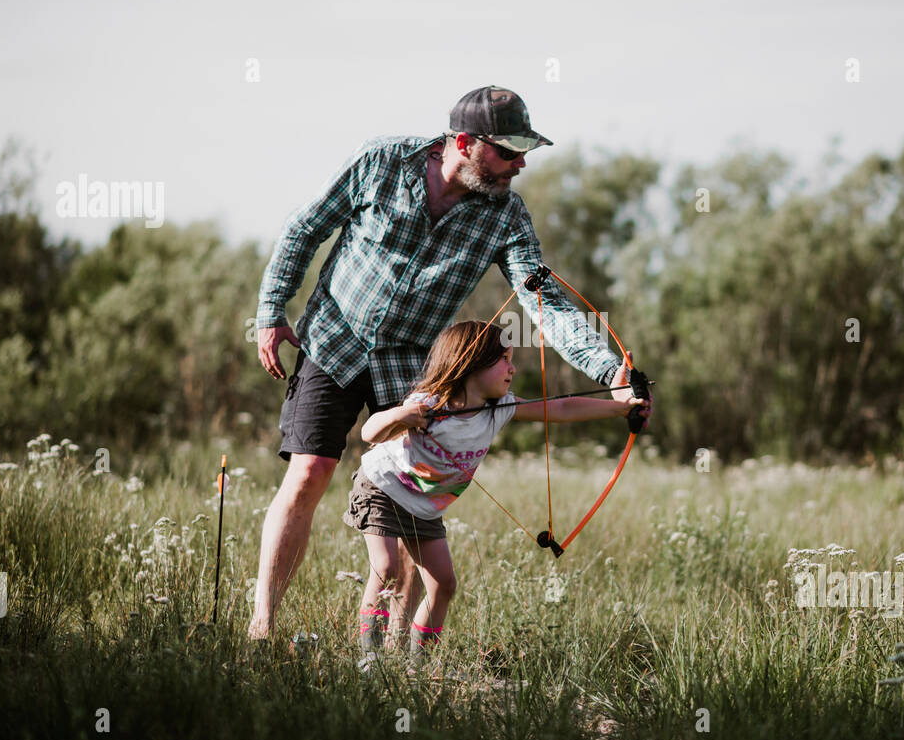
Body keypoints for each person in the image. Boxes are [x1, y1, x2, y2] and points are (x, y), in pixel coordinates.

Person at [249, 86, 654, 642]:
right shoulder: (380, 162)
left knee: (411, 496)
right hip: (333, 341)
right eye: (508, 151)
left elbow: (543, 301)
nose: (520, 163)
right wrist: (271, 311)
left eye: (524, 151)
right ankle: (263, 628)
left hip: (412, 364)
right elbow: (304, 230)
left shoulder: (507, 215)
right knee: (310, 472)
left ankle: (389, 656)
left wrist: (610, 371)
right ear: (462, 143)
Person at [345, 320, 651, 661]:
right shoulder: (430, 402)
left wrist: (622, 407)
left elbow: (561, 407)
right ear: (472, 361)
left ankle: (415, 667)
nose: (513, 367)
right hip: (383, 488)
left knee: (443, 585)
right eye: (504, 359)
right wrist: (406, 414)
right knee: (386, 568)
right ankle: (369, 662)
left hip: (425, 506)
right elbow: (369, 432)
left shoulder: (500, 409)